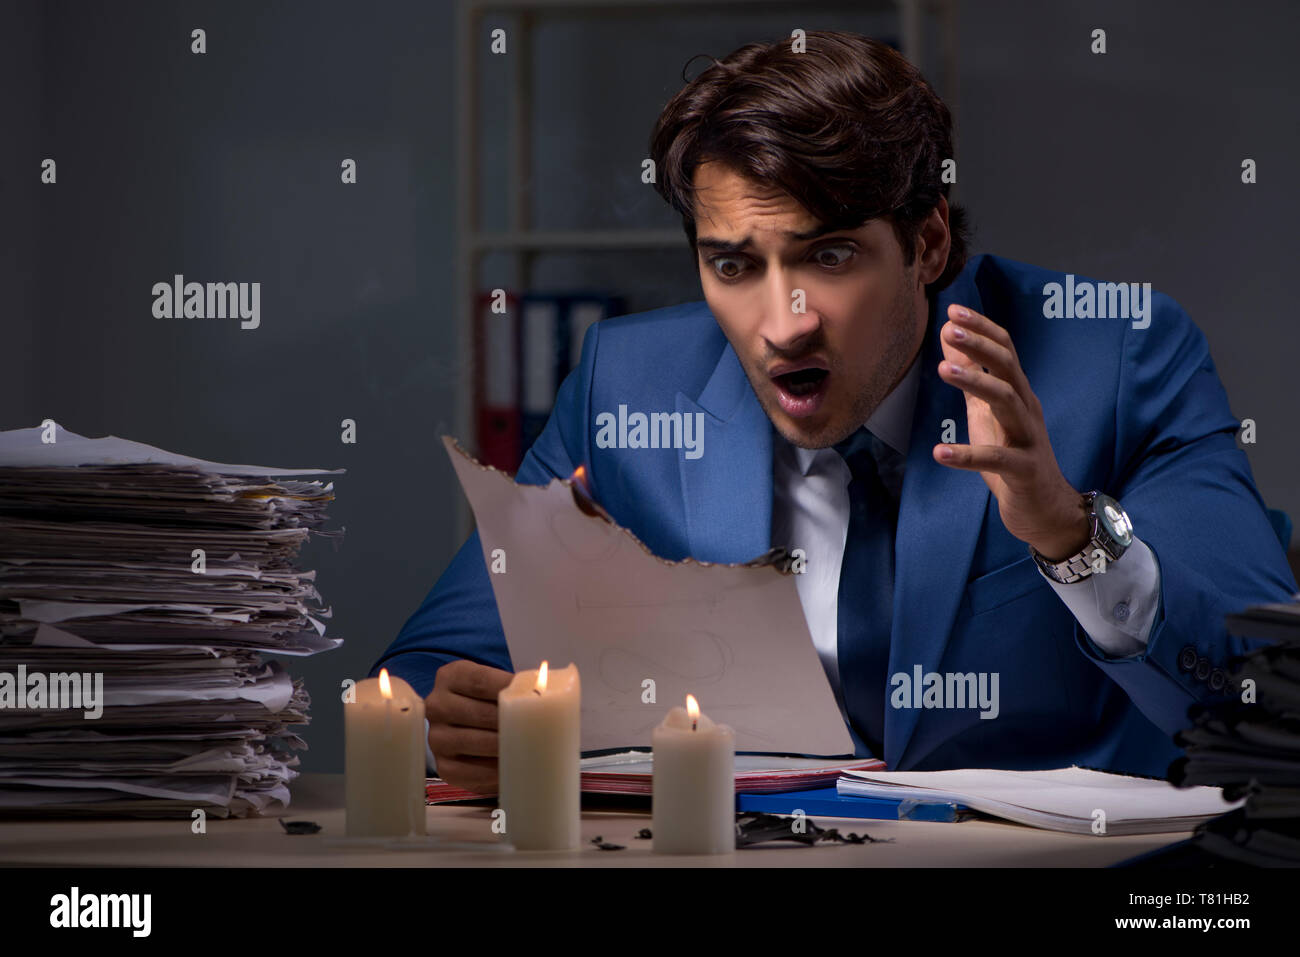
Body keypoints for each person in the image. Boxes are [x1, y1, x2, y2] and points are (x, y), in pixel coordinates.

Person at [370, 31, 1296, 794]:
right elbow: (420, 675)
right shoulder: (628, 385)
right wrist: (449, 728)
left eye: (831, 258)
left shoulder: (1120, 355)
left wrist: (1065, 532)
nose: (783, 327)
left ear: (928, 240)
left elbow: (1255, 697)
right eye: (733, 265)